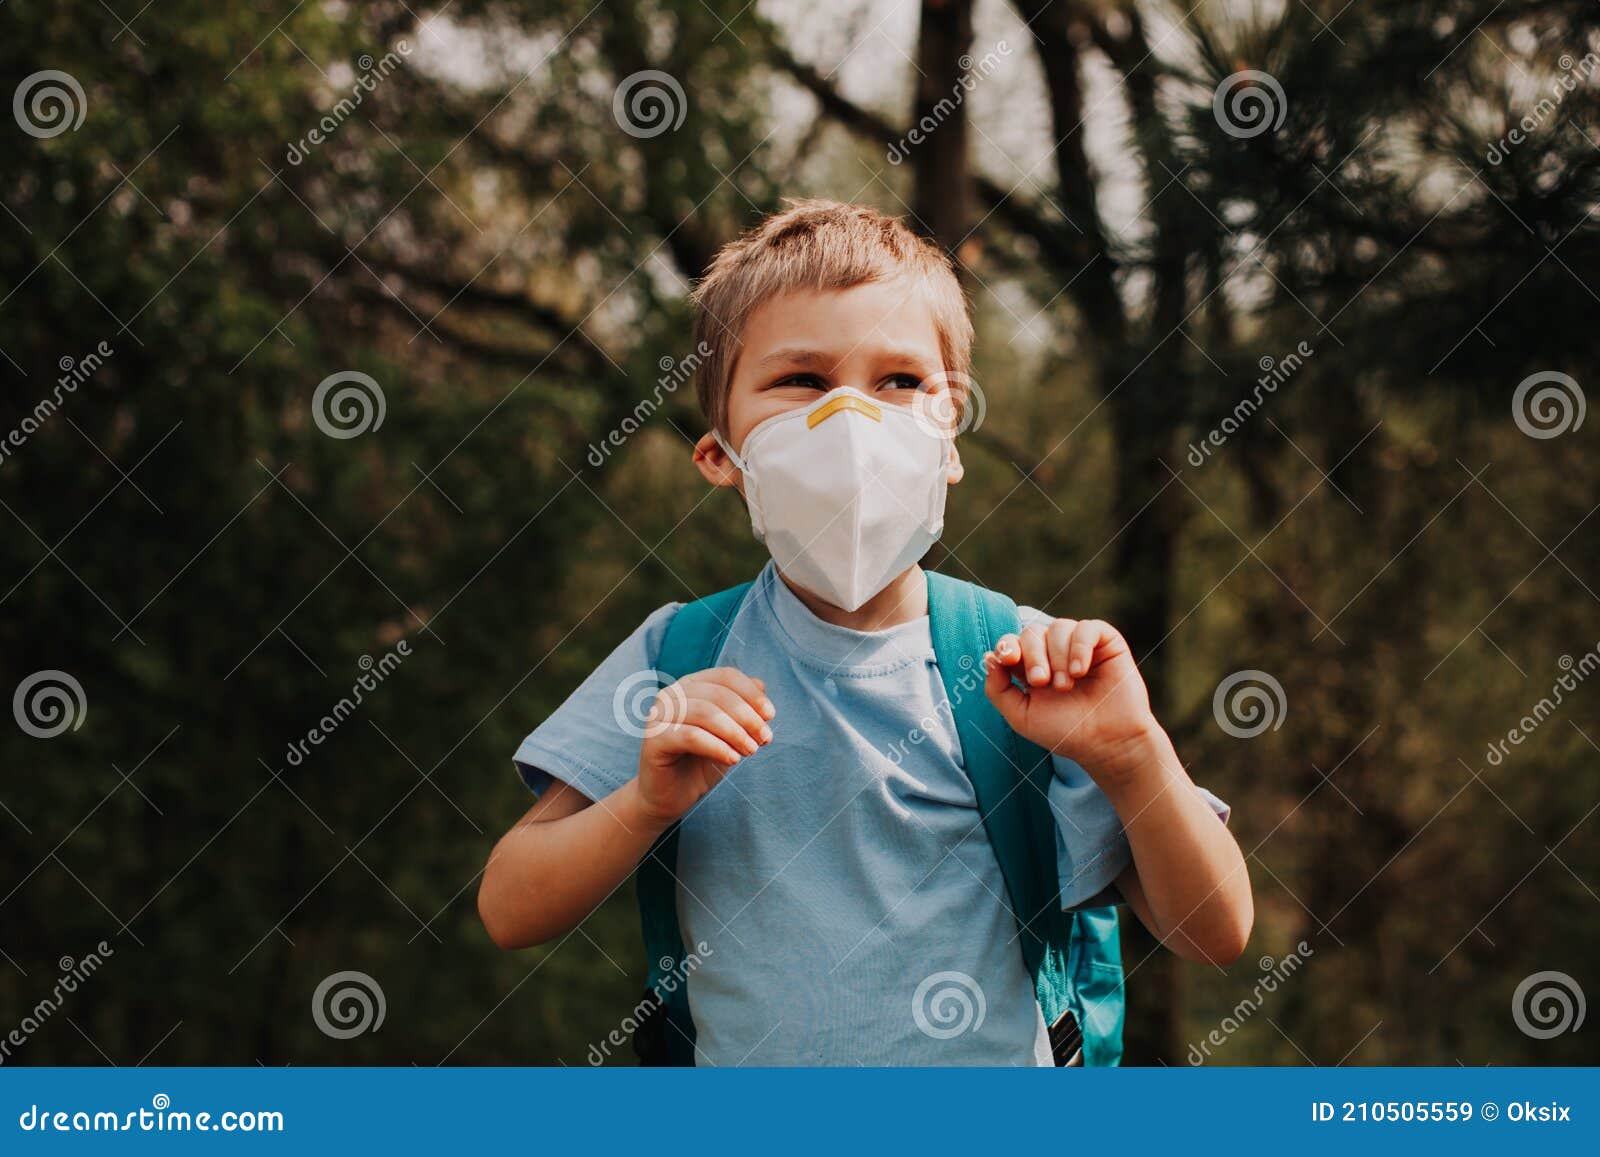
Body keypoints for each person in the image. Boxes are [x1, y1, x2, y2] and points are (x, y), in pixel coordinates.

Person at [479, 200, 1252, 1066]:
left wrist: (1134, 751)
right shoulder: (677, 659)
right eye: (802, 380)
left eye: (900, 382)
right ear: (720, 456)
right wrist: (643, 803)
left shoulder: (1031, 667)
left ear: (949, 440)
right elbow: (511, 905)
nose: (851, 421)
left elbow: (1213, 932)